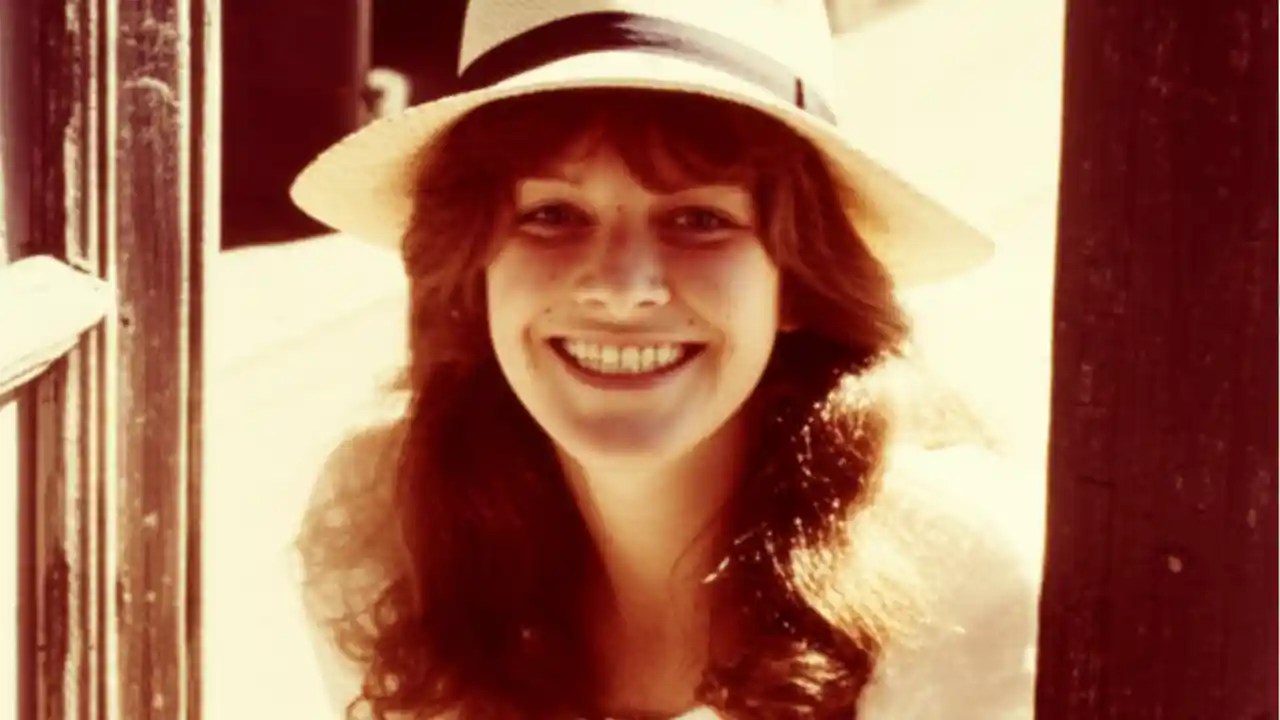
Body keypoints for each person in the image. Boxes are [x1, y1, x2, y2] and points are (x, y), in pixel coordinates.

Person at [291, 2, 1038, 718]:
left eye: (698, 219)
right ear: (471, 269)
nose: (622, 287)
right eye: (553, 215)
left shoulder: (952, 571)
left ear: (798, 285)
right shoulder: (384, 524)